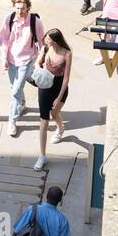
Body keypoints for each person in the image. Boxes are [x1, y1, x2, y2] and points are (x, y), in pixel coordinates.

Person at [0, 0, 44, 138]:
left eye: (22, 8)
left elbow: (41, 42)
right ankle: (22, 103)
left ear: (28, 7)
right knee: (15, 87)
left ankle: (12, 121)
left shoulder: (35, 22)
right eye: (17, 8)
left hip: (26, 60)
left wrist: (40, 61)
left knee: (15, 91)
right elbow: (4, 39)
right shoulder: (9, 18)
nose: (19, 11)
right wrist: (4, 58)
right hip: (11, 59)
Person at [33, 29, 73, 171]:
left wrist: (59, 97)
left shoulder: (67, 53)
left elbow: (66, 78)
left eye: (48, 38)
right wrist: (40, 69)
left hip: (58, 86)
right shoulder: (45, 48)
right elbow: (37, 62)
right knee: (44, 120)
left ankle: (60, 127)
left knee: (55, 114)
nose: (45, 40)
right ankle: (42, 155)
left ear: (55, 41)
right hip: (45, 84)